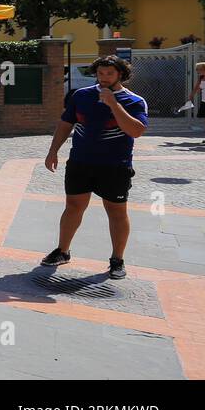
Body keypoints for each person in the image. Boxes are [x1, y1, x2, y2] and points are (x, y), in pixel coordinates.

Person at [41, 56, 148, 280]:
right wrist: (53, 151)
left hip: (115, 166)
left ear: (120, 74)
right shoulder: (81, 95)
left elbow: (136, 131)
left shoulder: (134, 101)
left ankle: (117, 260)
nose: (104, 78)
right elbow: (65, 124)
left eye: (110, 73)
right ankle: (62, 250)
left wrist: (113, 104)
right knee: (73, 206)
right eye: (101, 73)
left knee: (116, 212)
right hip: (80, 162)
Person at [189, 62, 205, 143]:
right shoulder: (201, 78)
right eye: (197, 69)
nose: (198, 71)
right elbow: (197, 87)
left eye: (199, 69)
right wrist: (191, 95)